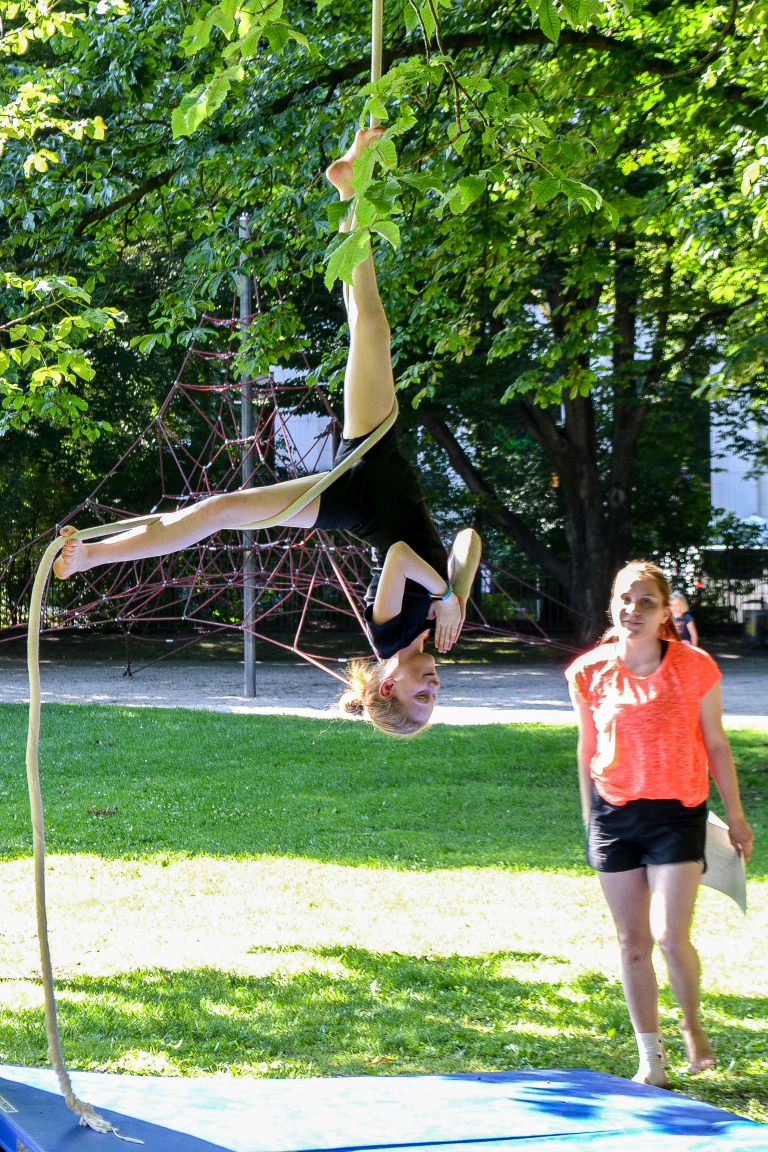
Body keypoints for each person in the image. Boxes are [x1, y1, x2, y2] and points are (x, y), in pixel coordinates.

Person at [53, 127, 481, 736]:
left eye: (418, 698)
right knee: (366, 319)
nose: (432, 690)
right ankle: (349, 187)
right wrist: (458, 592)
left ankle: (93, 555)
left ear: (388, 684)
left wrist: (442, 593)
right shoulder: (448, 627)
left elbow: (399, 558)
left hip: (358, 493)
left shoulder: (389, 631)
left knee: (223, 505)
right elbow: (466, 538)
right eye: (434, 702)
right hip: (381, 458)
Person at [565, 561, 754, 1088]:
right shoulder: (588, 671)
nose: (634, 610)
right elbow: (586, 747)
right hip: (613, 816)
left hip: (677, 813)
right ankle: (651, 1059)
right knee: (632, 944)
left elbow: (716, 743)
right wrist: (589, 816)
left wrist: (736, 817)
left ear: (666, 610)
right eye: (626, 599)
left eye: (647, 601)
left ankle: (692, 1025)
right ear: (612, 605)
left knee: (670, 936)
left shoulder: (694, 667)